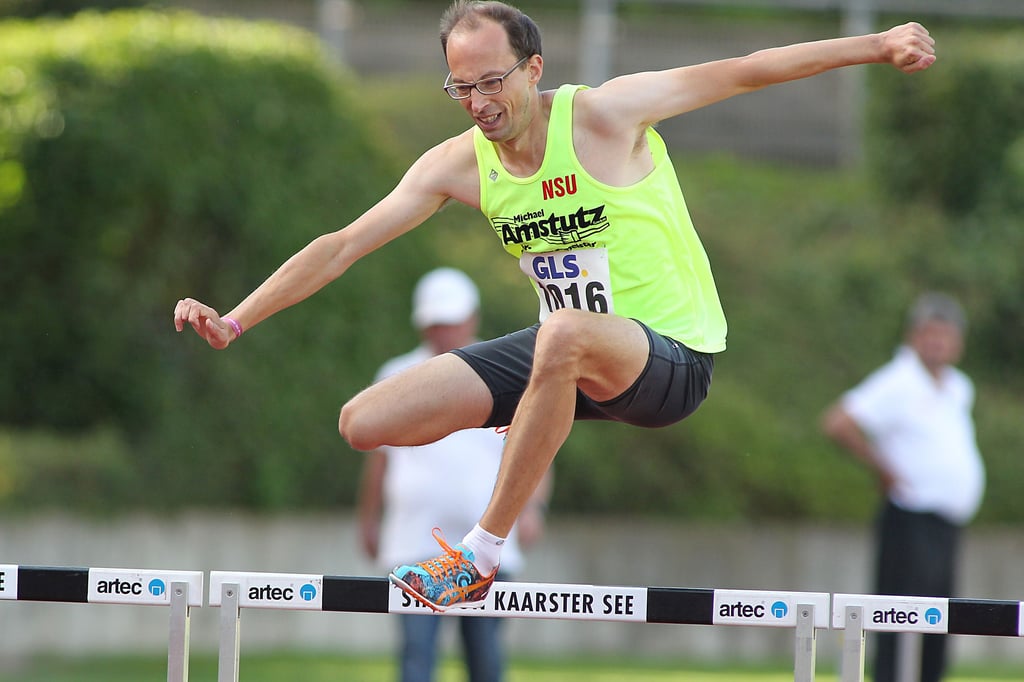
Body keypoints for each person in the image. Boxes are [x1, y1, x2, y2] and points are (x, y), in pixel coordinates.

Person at [174, 0, 938, 612]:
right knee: (364, 421)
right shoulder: (457, 165)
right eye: (461, 88)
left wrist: (875, 45)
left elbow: (744, 71)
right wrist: (236, 319)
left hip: (671, 360)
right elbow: (342, 244)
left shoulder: (605, 115)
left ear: (533, 68)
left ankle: (479, 557)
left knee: (563, 332)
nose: (479, 104)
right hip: (567, 357)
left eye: (492, 82)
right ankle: (544, 405)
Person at [357, 267, 549, 682]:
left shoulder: (508, 371)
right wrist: (369, 520)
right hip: (413, 542)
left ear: (471, 318)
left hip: (489, 544)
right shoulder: (395, 374)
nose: (443, 332)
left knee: (485, 658)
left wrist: (534, 507)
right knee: (415, 658)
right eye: (436, 323)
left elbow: (539, 443)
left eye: (450, 321)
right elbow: (379, 459)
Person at [821, 292, 984, 682]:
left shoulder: (958, 387)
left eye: (945, 335)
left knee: (939, 621)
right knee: (899, 618)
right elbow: (838, 422)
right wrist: (884, 470)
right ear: (914, 336)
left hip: (946, 523)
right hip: (910, 518)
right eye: (930, 333)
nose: (937, 343)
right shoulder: (898, 381)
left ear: (958, 343)